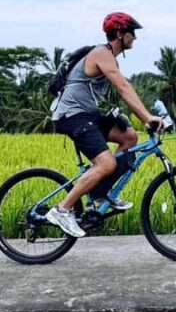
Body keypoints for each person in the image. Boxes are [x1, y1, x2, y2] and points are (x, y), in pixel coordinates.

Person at [47, 12, 164, 238]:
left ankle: (101, 192)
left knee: (129, 137)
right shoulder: (101, 53)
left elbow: (116, 92)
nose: (135, 38)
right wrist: (147, 117)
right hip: (72, 116)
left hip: (87, 115)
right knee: (106, 163)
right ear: (120, 33)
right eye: (132, 33)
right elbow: (123, 87)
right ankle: (62, 210)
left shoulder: (109, 57)